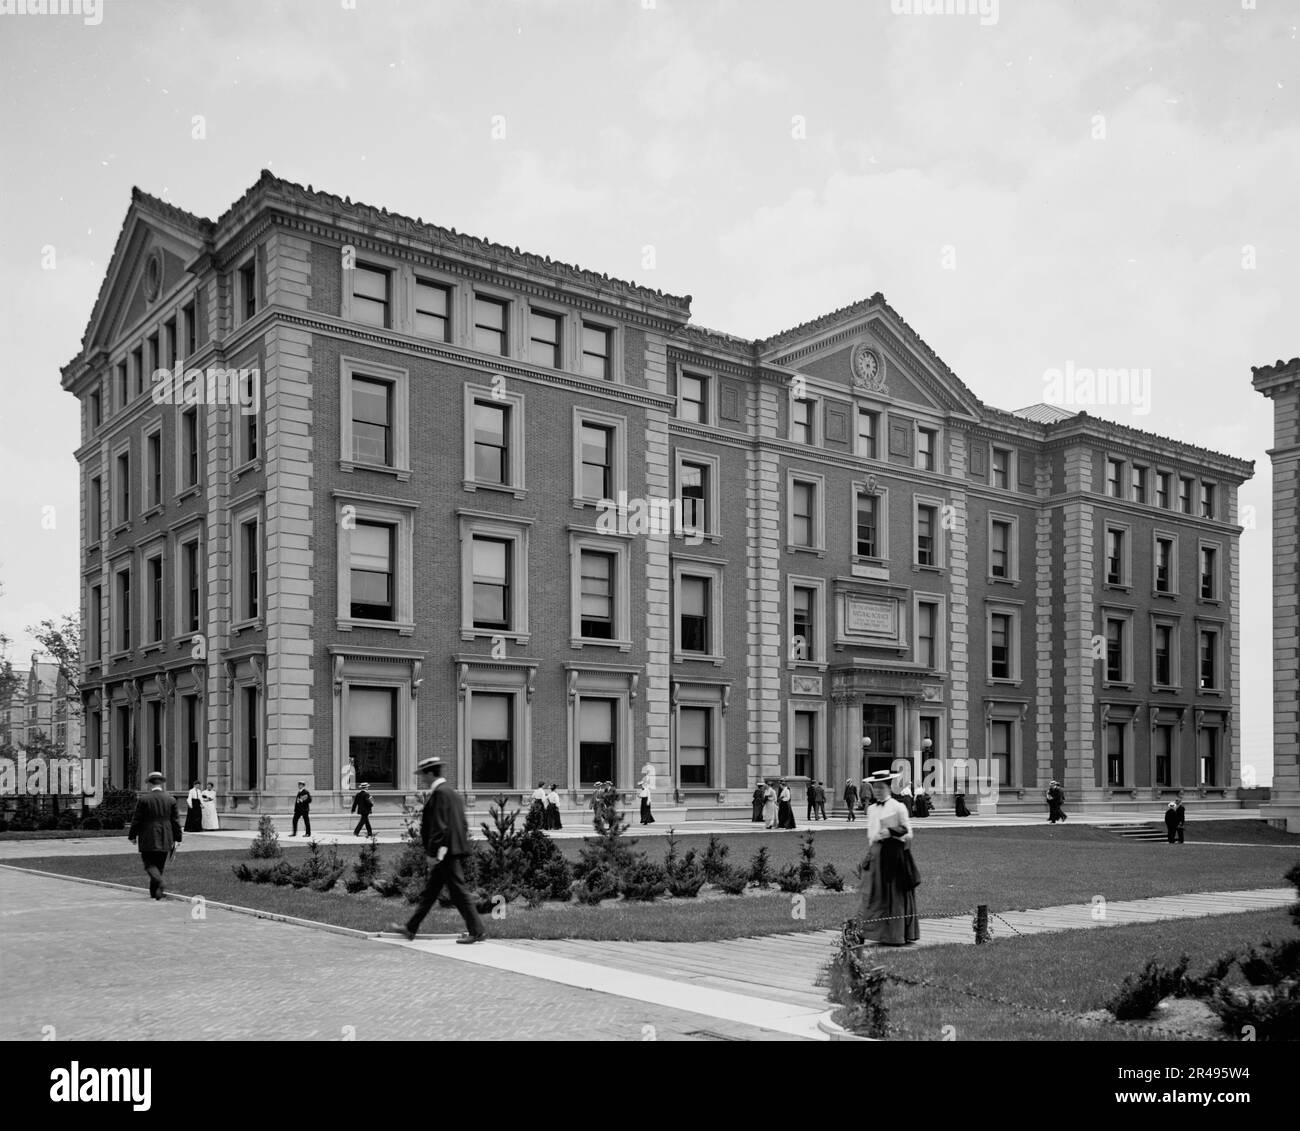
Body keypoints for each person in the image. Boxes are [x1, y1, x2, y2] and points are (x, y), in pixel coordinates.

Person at [391, 757, 486, 944]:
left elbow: (440, 826)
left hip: (445, 852)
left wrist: (434, 853)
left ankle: (477, 931)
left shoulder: (441, 793)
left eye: (423, 775)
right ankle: (411, 928)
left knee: (458, 891)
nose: (422, 779)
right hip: (450, 849)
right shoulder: (452, 793)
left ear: (430, 773)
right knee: (431, 892)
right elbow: (462, 824)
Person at [857, 770, 920, 946]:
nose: (877, 791)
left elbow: (908, 832)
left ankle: (895, 935)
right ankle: (871, 932)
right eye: (875, 787)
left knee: (894, 895)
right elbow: (871, 834)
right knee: (872, 894)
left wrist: (891, 832)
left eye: (881, 787)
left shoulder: (898, 807)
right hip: (876, 853)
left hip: (894, 855)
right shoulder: (871, 809)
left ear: (889, 787)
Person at [128, 771, 183, 900]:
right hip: (166, 834)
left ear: (150, 784)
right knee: (159, 865)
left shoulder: (144, 799)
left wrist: (132, 835)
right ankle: (155, 893)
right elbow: (175, 821)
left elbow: (137, 819)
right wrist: (178, 838)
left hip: (148, 834)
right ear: (161, 783)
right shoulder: (170, 799)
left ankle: (160, 883)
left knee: (148, 863)